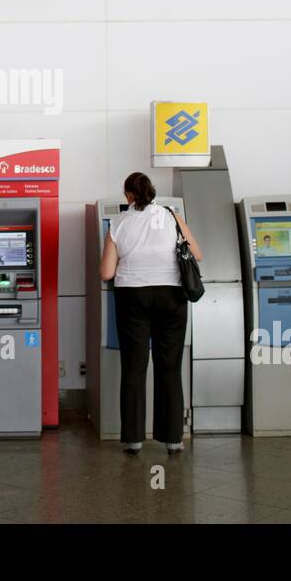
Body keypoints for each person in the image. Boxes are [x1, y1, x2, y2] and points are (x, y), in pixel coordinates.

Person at [99, 172, 203, 454]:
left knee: (134, 367)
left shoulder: (118, 223)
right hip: (171, 296)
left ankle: (133, 438)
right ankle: (173, 438)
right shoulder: (172, 216)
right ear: (152, 192)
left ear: (128, 196)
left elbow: (106, 272)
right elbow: (197, 254)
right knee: (169, 366)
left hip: (132, 297)